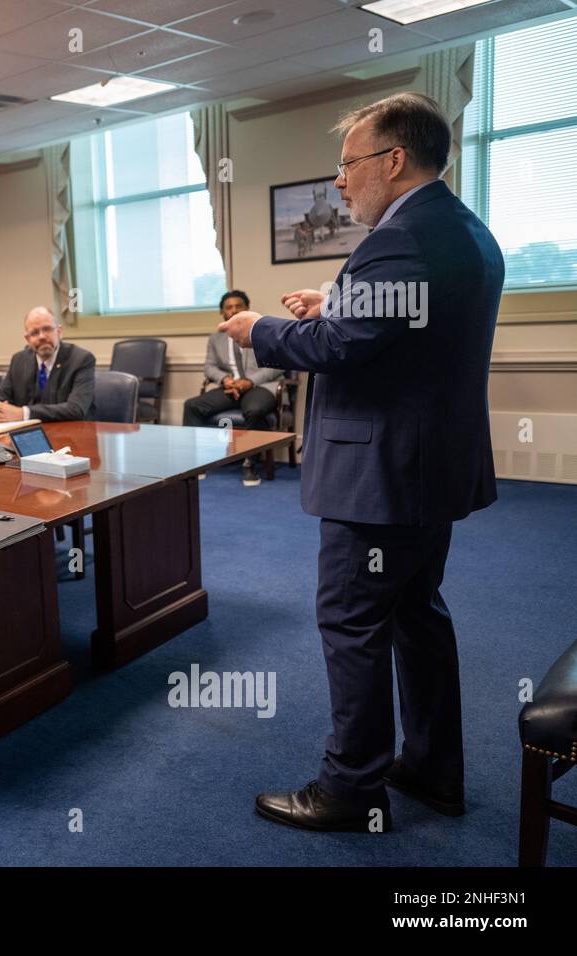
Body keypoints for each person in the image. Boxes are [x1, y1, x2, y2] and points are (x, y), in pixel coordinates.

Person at [219, 92, 504, 832]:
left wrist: (262, 330)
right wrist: (336, 297)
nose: (340, 181)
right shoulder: (462, 229)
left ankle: (350, 787)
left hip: (382, 481)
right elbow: (400, 324)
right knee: (416, 614)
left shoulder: (401, 238)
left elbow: (343, 348)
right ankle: (434, 767)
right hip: (428, 473)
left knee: (352, 622)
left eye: (347, 164)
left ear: (393, 159)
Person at [182, 290, 285, 486]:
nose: (234, 310)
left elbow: (275, 366)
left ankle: (249, 464)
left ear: (247, 309)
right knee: (191, 406)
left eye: (239, 306)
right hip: (231, 388)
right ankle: (196, 464)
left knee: (254, 410)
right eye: (229, 307)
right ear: (222, 312)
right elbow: (209, 367)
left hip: (259, 386)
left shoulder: (263, 331)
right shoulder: (215, 338)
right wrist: (225, 380)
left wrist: (250, 381)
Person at [0, 306, 95, 422]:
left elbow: (76, 409)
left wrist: (24, 413)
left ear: (59, 332)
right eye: (35, 332)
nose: (42, 336)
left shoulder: (81, 359)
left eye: (47, 329)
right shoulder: (19, 360)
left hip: (71, 435)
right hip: (27, 435)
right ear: (28, 339)